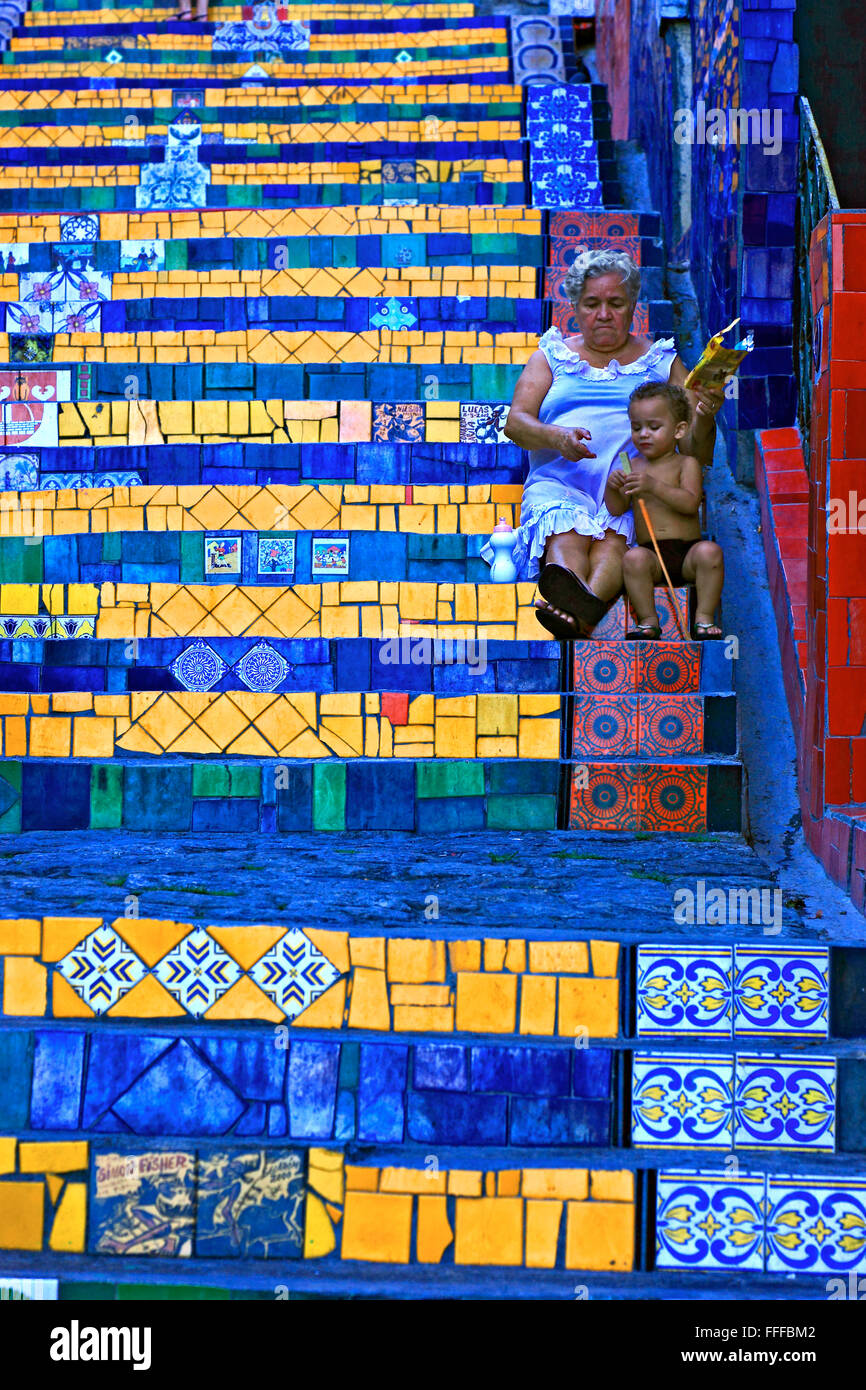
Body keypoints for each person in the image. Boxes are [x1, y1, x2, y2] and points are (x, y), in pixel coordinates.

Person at [492, 249, 724, 640]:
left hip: (627, 490)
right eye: (591, 304)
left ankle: (575, 610)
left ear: (633, 305)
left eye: (615, 304)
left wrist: (704, 414)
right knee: (566, 532)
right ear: (575, 307)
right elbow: (515, 423)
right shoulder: (551, 356)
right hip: (560, 482)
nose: (603, 314)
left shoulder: (660, 362)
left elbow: (697, 453)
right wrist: (557, 436)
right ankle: (583, 612)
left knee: (614, 547)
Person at [605, 382, 724, 639]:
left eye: (654, 427)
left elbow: (690, 503)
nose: (643, 434)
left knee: (711, 553)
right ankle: (648, 619)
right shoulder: (631, 464)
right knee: (632, 559)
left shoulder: (686, 464)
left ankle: (703, 617)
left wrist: (653, 486)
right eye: (636, 428)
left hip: (688, 552)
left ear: (679, 430)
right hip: (652, 556)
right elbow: (616, 509)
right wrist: (612, 488)